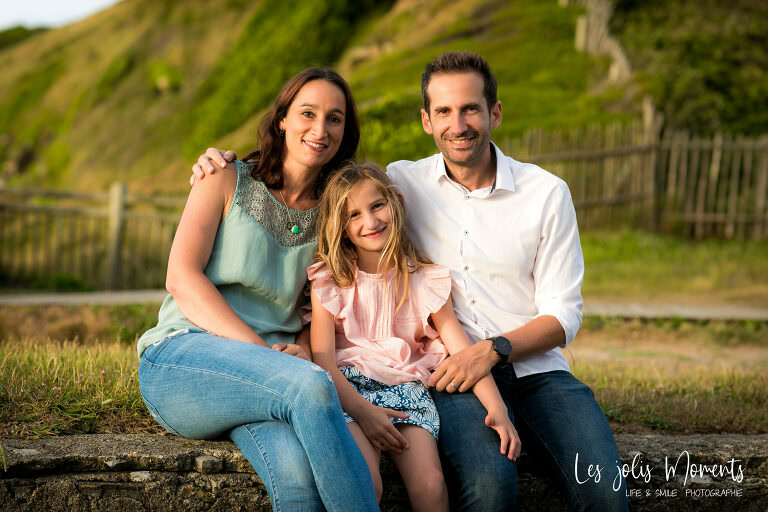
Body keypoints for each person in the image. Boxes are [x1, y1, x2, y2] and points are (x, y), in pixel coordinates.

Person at [192, 52, 629, 511]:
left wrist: (491, 351)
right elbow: (340, 182)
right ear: (426, 120)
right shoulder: (401, 180)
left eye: (470, 109)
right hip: (446, 377)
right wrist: (223, 162)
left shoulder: (546, 193)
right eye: (443, 111)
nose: (457, 124)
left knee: (606, 492)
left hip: (535, 372)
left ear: (494, 112)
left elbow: (564, 315)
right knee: (487, 488)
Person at [137, 68, 379, 512]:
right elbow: (181, 277)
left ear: (346, 132)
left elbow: (320, 307)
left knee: (297, 482)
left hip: (272, 384)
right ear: (283, 118)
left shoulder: (336, 214)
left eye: (334, 119)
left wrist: (302, 349)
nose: (320, 129)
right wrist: (264, 356)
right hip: (183, 359)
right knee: (311, 385)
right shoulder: (225, 177)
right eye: (307, 113)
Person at [307, 161, 520, 511]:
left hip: (408, 392)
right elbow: (324, 362)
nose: (371, 222)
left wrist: (497, 409)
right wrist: (363, 411)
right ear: (341, 229)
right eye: (354, 215)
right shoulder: (330, 281)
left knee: (431, 486)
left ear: (396, 204)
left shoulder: (425, 279)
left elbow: (462, 351)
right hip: (348, 391)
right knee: (365, 483)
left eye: (377, 206)